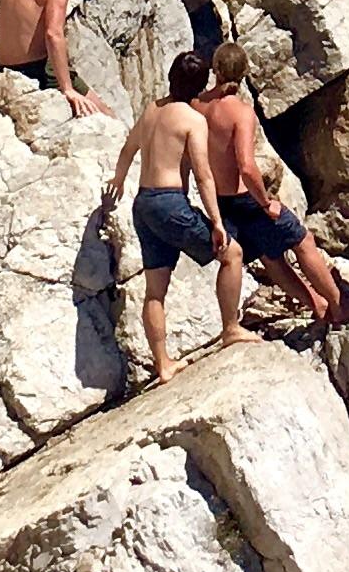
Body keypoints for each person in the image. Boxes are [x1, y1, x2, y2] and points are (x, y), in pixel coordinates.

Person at [103, 50, 251, 384]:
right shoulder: (191, 119)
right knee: (233, 254)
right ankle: (231, 328)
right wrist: (215, 221)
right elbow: (203, 175)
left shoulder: (152, 109)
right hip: (170, 202)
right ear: (200, 86)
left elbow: (128, 149)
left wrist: (118, 180)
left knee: (155, 289)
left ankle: (163, 363)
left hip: (143, 203)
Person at [201, 41, 349, 328]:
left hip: (220, 201)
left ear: (215, 69)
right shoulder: (240, 112)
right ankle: (339, 306)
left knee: (271, 258)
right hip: (246, 199)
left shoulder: (198, 105)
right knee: (303, 241)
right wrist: (266, 202)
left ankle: (318, 306)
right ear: (244, 73)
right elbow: (247, 166)